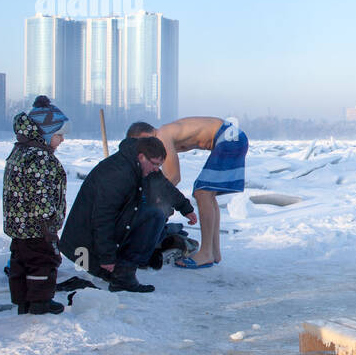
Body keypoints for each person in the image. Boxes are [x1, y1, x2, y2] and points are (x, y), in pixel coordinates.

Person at [59, 135, 168, 293]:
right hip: (83, 248)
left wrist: (186, 208)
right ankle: (122, 275)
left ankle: (127, 266)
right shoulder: (120, 174)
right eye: (155, 164)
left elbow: (164, 186)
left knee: (157, 215)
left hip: (92, 242)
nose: (156, 169)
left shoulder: (133, 165)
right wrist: (107, 256)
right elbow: (103, 217)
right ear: (142, 157)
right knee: (153, 216)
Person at [3, 96, 69, 315]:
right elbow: (41, 194)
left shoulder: (19, 151)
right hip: (38, 227)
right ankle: (40, 303)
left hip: (19, 226)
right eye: (59, 134)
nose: (62, 140)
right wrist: (50, 221)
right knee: (43, 262)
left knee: (21, 262)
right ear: (46, 133)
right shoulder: (41, 157)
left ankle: (24, 302)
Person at [155, 116, 247, 269]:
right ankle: (214, 252)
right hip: (233, 137)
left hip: (228, 138)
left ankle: (206, 254)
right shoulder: (165, 133)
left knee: (202, 192)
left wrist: (155, 198)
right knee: (207, 193)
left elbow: (173, 177)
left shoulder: (161, 136)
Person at [124, 121, 197, 270]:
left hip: (147, 221)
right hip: (128, 221)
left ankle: (164, 245)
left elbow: (167, 187)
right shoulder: (124, 165)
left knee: (159, 216)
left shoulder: (152, 166)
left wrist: (186, 208)